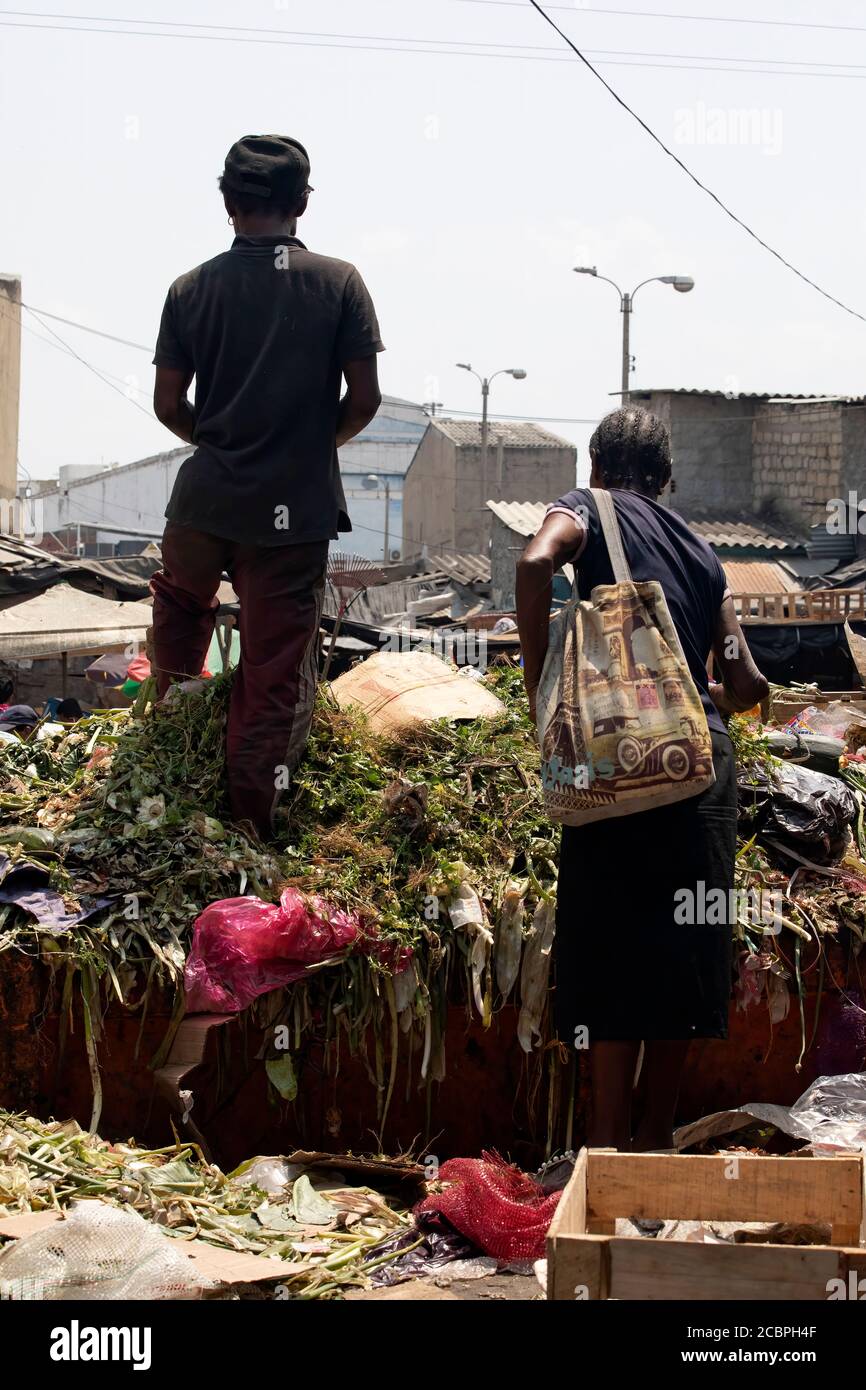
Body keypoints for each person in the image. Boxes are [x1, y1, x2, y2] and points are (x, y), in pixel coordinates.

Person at [516, 406, 769, 1152]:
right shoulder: (701, 549)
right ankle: (658, 1142)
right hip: (700, 764)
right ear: (667, 480)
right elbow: (749, 680)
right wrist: (706, 697)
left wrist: (541, 689)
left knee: (608, 944)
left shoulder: (584, 510)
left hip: (617, 760)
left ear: (594, 469)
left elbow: (534, 564)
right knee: (683, 951)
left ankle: (605, 1147)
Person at [150, 134, 384, 838]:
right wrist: (304, 450)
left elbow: (168, 406)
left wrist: (225, 445)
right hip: (291, 519)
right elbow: (366, 398)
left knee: (182, 622)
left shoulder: (189, 289)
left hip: (202, 504)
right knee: (270, 675)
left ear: (228, 204)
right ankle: (247, 829)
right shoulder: (339, 282)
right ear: (302, 203)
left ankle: (164, 777)